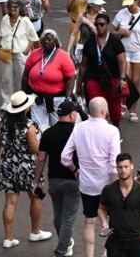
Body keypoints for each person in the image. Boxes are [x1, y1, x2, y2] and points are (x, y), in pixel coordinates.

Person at [61, 97, 122, 257]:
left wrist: (75, 171)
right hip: (107, 183)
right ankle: (106, 252)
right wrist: (115, 186)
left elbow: (65, 157)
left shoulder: (78, 128)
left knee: (89, 221)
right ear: (104, 111)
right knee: (113, 221)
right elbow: (115, 161)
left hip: (86, 184)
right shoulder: (112, 131)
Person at [0, 91, 53, 248]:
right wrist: (44, 137)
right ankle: (35, 231)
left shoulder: (1, 122)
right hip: (29, 167)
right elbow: (35, 149)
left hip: (7, 164)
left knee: (10, 202)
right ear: (25, 109)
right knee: (36, 197)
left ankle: (8, 238)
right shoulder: (28, 126)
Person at [35, 98, 82, 257]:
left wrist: (36, 180)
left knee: (58, 216)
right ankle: (61, 250)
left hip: (54, 180)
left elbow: (41, 159)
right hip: (73, 180)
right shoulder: (78, 133)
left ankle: (66, 243)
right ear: (71, 115)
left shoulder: (48, 133)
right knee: (68, 218)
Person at [98, 152, 140, 257]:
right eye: (120, 167)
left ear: (132, 166)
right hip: (115, 240)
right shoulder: (109, 190)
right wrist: (104, 223)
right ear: (117, 169)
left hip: (136, 242)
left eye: (126, 167)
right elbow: (101, 209)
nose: (123, 170)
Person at [112, 0, 140, 123]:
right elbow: (111, 32)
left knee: (135, 82)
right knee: (124, 79)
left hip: (139, 51)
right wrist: (121, 32)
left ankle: (133, 109)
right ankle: (123, 105)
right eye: (127, 4)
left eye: (131, 4)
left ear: (136, 1)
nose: (129, 7)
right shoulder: (121, 14)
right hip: (124, 50)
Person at [0, 0, 40, 111]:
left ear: (20, 8)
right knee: (6, 77)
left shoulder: (25, 21)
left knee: (20, 77)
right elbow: (1, 34)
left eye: (15, 7)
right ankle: (6, 100)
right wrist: (0, 46)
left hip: (20, 53)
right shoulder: (5, 19)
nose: (12, 9)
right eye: (10, 6)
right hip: (6, 51)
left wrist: (26, 51)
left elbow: (33, 37)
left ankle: (19, 100)